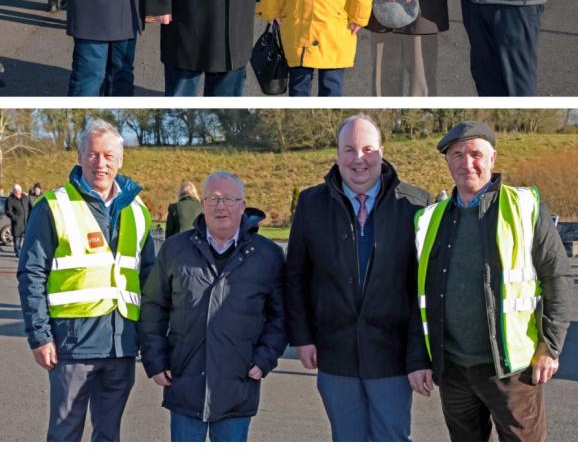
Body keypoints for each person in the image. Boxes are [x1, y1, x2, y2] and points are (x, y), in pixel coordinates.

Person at [413, 121, 572, 441]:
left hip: (513, 370)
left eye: (476, 153)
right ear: (447, 161)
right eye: (457, 154)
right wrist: (419, 358)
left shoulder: (524, 207)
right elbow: (417, 297)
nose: (466, 162)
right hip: (454, 370)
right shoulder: (429, 218)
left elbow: (558, 276)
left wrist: (550, 346)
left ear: (493, 158)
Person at [284, 115, 431, 441]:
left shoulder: (416, 205)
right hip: (335, 354)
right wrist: (302, 336)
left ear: (382, 151)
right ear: (337, 154)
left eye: (367, 149)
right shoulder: (311, 203)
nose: (358, 159)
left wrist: (419, 355)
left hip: (391, 357)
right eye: (349, 149)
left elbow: (423, 290)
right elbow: (295, 276)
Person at [16, 119, 156, 441]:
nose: (101, 163)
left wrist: (149, 341)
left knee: (109, 436)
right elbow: (31, 273)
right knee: (64, 435)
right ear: (79, 156)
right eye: (92, 154)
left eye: (108, 155)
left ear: (120, 160)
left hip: (120, 347)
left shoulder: (138, 211)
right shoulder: (54, 205)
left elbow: (149, 281)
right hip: (71, 347)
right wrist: (39, 336)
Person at [139, 172, 286, 441]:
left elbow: (281, 316)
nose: (221, 206)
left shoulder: (268, 255)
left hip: (237, 387)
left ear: (242, 206)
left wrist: (265, 357)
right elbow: (153, 306)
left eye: (229, 199)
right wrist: (155, 359)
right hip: (184, 382)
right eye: (213, 199)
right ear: (202, 204)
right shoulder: (174, 250)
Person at [5, 183, 31, 256]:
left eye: (18, 190)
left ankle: (25, 252)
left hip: (27, 222)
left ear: (21, 190)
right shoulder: (10, 199)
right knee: (17, 238)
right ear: (13, 191)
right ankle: (18, 252)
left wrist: (31, 216)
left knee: (27, 238)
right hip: (17, 223)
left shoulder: (25, 197)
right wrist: (15, 218)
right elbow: (8, 211)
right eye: (15, 190)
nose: (17, 191)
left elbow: (31, 207)